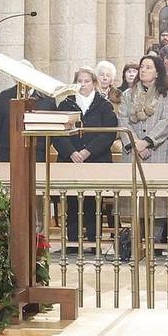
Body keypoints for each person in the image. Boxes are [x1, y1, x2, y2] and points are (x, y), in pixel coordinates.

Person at [56, 67, 116, 251]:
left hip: (96, 159)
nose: (83, 85)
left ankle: (94, 240)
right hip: (71, 159)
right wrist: (71, 152)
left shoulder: (104, 105)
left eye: (87, 81)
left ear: (94, 83)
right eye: (79, 81)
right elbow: (58, 133)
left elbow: (108, 133)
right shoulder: (66, 104)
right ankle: (73, 242)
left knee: (93, 202)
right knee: (72, 201)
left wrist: (87, 151)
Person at [121, 53, 168, 162]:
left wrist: (146, 142)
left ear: (157, 73)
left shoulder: (166, 94)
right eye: (141, 67)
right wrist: (136, 145)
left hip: (157, 150)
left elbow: (166, 120)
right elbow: (123, 120)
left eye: (148, 67)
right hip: (133, 150)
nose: (143, 70)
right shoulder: (127, 94)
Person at [0, 80, 53, 163]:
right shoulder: (3, 97)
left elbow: (52, 128)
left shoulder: (47, 100)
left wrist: (41, 146)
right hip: (8, 152)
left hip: (37, 153)